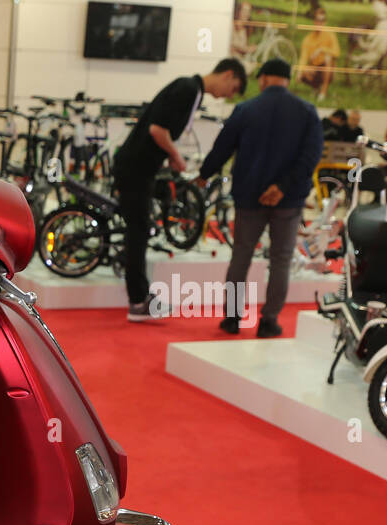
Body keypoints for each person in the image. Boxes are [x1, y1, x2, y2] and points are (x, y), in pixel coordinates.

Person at [196, 59, 324, 338]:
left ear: (264, 79)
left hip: (248, 196)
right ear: (288, 80)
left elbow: (222, 148)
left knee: (241, 255)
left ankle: (232, 318)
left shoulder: (245, 109)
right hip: (288, 201)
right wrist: (282, 186)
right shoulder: (307, 112)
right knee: (280, 259)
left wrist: (204, 174)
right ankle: (269, 321)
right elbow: (311, 157)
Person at [112, 58, 247, 321]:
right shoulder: (187, 89)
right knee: (138, 232)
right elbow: (157, 129)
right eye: (232, 88)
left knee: (139, 230)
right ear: (228, 75)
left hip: (139, 167)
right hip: (135, 168)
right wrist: (175, 155)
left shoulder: (191, 91)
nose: (227, 95)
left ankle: (140, 297)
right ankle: (138, 302)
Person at [297, 5, 339, 102]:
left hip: (327, 68)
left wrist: (321, 49)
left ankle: (323, 92)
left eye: (322, 20)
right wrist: (300, 71)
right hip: (315, 68)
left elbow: (337, 52)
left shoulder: (330, 34)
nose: (319, 23)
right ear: (314, 21)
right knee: (304, 70)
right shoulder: (308, 38)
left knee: (328, 58)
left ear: (325, 22)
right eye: (317, 20)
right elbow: (303, 57)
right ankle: (315, 88)